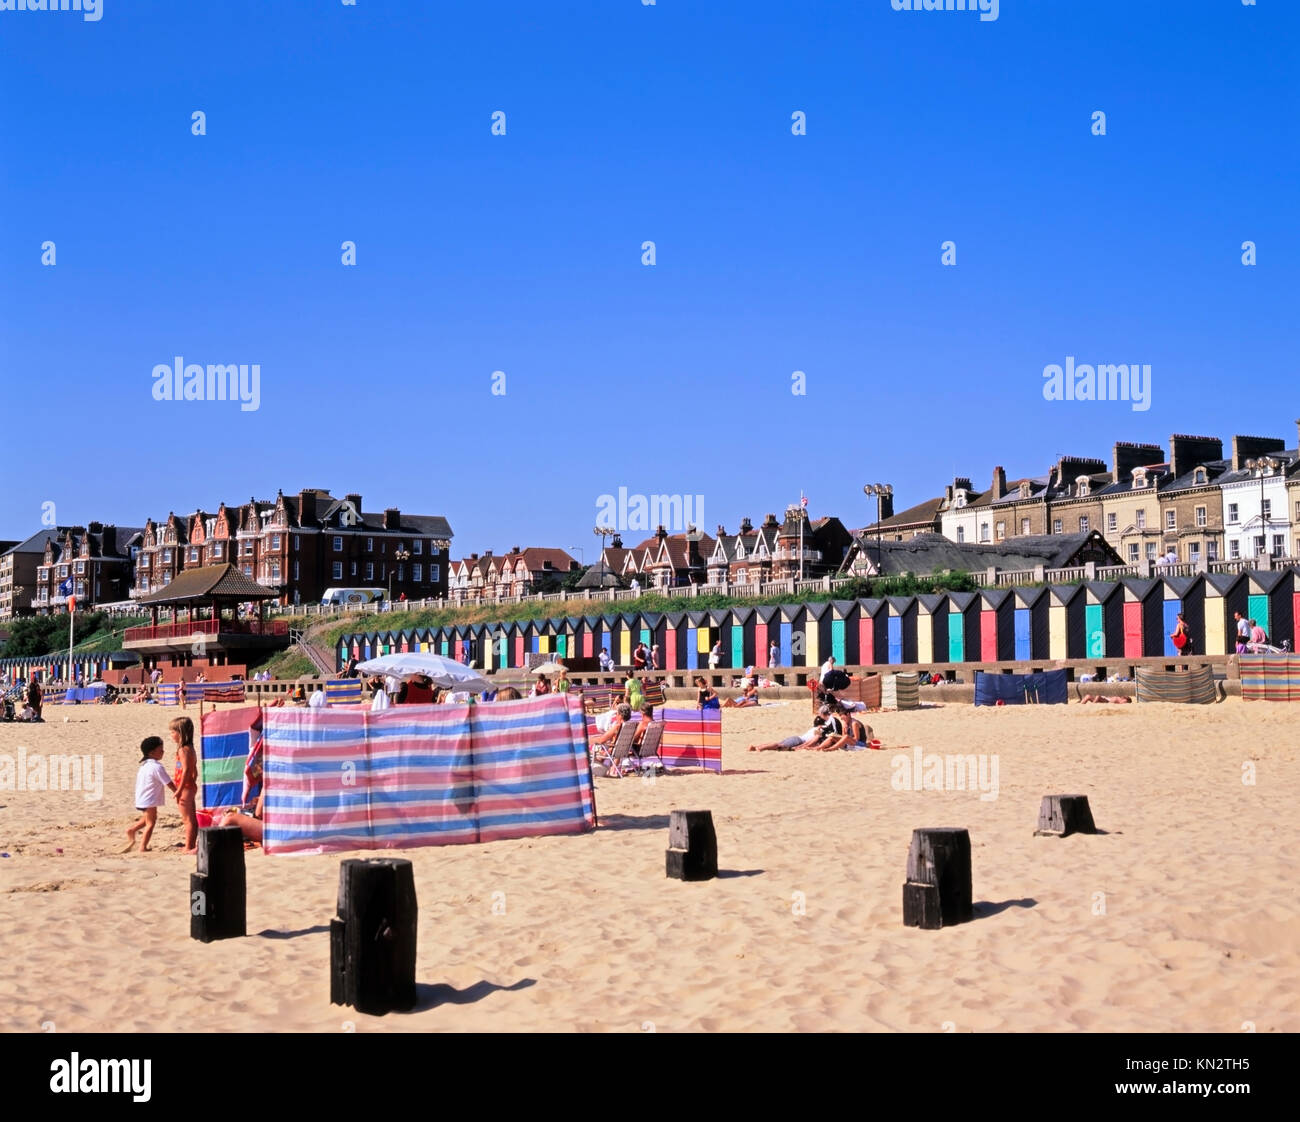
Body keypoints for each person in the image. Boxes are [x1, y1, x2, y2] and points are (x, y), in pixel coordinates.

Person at [126, 736, 176, 853]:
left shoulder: (144, 766)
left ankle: (132, 830)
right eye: (161, 750)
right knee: (151, 823)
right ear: (152, 752)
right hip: (149, 799)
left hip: (141, 798)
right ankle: (143, 847)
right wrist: (177, 793)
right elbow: (168, 783)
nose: (163, 752)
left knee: (147, 819)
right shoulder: (157, 767)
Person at [169, 716, 199, 854]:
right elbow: (195, 770)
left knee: (187, 819)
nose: (171, 735)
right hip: (189, 786)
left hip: (185, 787)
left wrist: (179, 790)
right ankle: (190, 844)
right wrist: (193, 781)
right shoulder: (190, 749)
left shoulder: (184, 750)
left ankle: (189, 846)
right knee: (191, 817)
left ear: (181, 733)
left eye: (172, 732)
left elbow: (187, 770)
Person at [748, 718, 836, 752]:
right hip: (798, 740)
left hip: (796, 738)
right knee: (779, 745)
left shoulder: (813, 729)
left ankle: (756, 747)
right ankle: (760, 748)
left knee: (779, 745)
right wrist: (802, 746)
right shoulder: (819, 730)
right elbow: (814, 740)